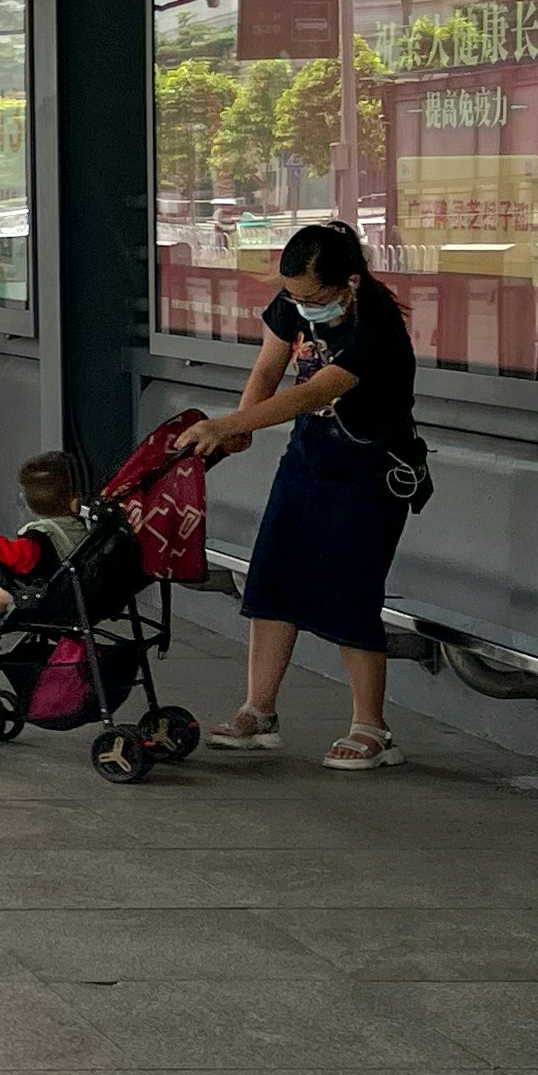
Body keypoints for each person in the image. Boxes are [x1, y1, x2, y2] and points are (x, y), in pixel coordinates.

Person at [181, 222, 421, 770]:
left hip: (369, 466)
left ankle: (373, 728)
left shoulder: (375, 328)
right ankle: (258, 711)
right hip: (310, 455)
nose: (299, 306)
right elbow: (269, 367)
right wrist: (239, 427)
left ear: (349, 283)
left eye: (310, 297)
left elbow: (312, 390)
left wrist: (231, 423)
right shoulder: (294, 302)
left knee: (350, 588)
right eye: (291, 294)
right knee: (272, 573)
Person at [0, 450, 98, 621]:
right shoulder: (81, 527)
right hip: (86, 594)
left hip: (55, 599)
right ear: (74, 502)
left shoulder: (39, 535)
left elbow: (13, 556)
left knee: (4, 589)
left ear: (29, 506)